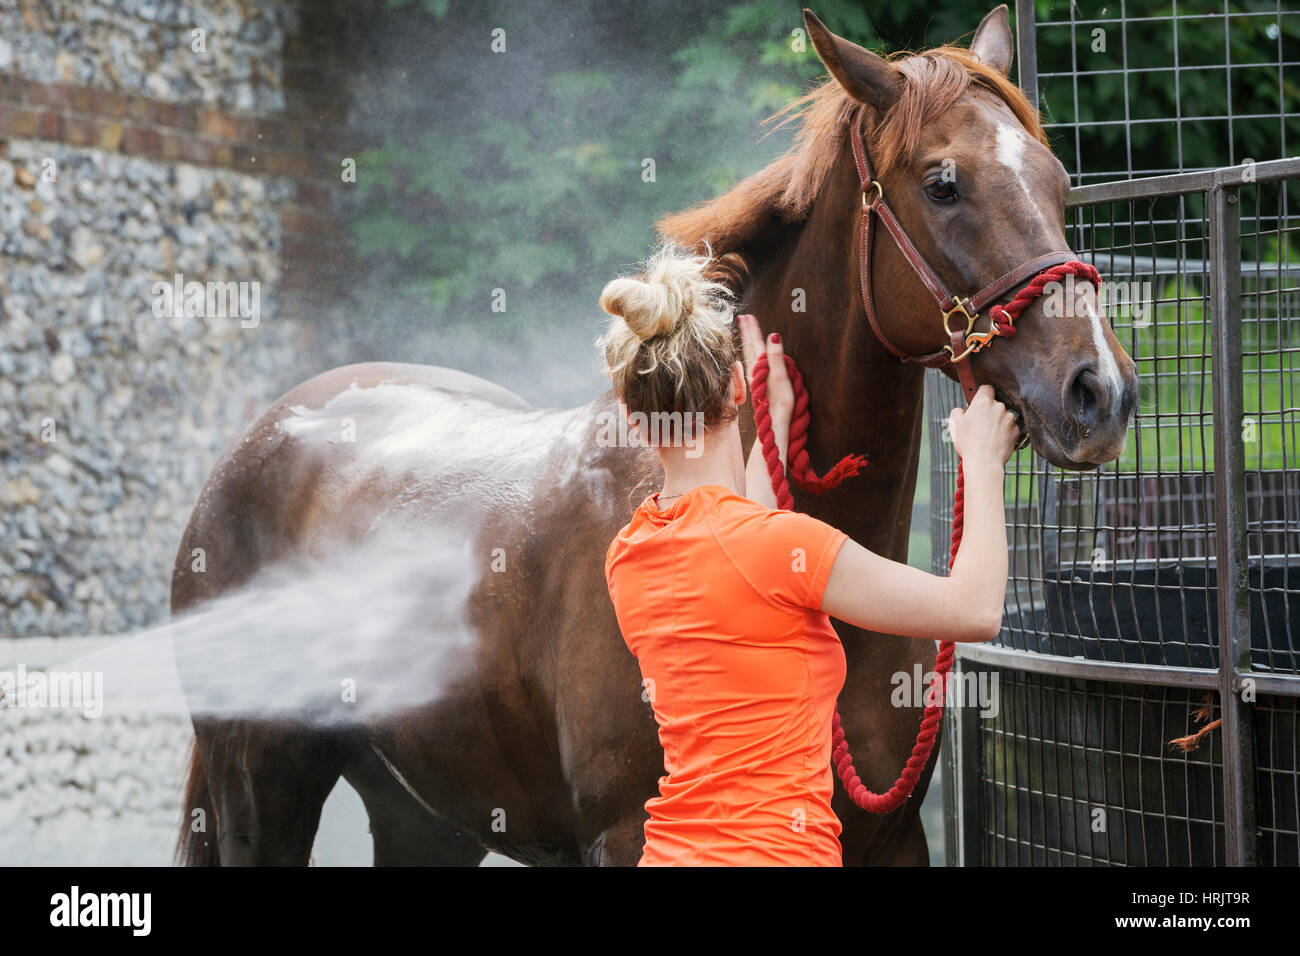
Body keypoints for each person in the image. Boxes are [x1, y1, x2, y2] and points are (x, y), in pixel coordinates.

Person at [600, 243, 1019, 866]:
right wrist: (983, 463)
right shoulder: (778, 546)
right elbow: (974, 609)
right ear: (734, 385)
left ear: (633, 419)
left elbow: (737, 548)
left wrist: (773, 416)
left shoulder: (629, 555)